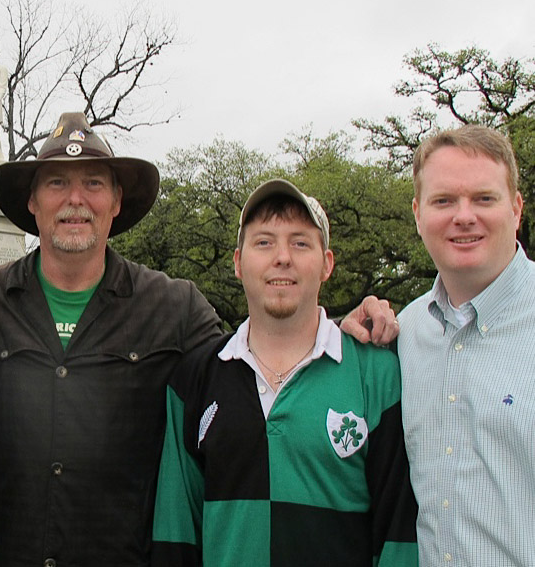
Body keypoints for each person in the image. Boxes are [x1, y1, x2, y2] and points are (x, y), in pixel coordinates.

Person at [0, 112, 399, 566]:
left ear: (116, 201)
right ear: (32, 201)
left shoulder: (173, 308)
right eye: (56, 184)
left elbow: (253, 359)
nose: (75, 199)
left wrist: (337, 330)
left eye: (93, 183)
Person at [151, 179, 418, 566]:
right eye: (264, 242)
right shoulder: (194, 379)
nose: (282, 257)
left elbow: (398, 534)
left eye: (300, 242)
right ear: (238, 262)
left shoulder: (376, 372)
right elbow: (176, 534)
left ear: (327, 263)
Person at [399, 124, 535, 565]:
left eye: (483, 198)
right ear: (418, 213)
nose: (464, 216)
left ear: (516, 208)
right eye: (444, 201)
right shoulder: (404, 333)